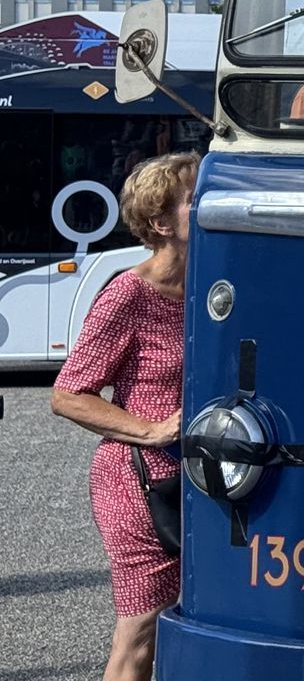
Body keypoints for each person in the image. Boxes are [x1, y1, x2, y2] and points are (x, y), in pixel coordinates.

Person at [50, 152, 199, 681]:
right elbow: (67, 394)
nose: (208, 202)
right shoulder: (128, 294)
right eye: (192, 197)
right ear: (161, 223)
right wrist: (152, 429)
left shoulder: (209, 285)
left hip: (199, 483)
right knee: (141, 631)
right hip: (138, 484)